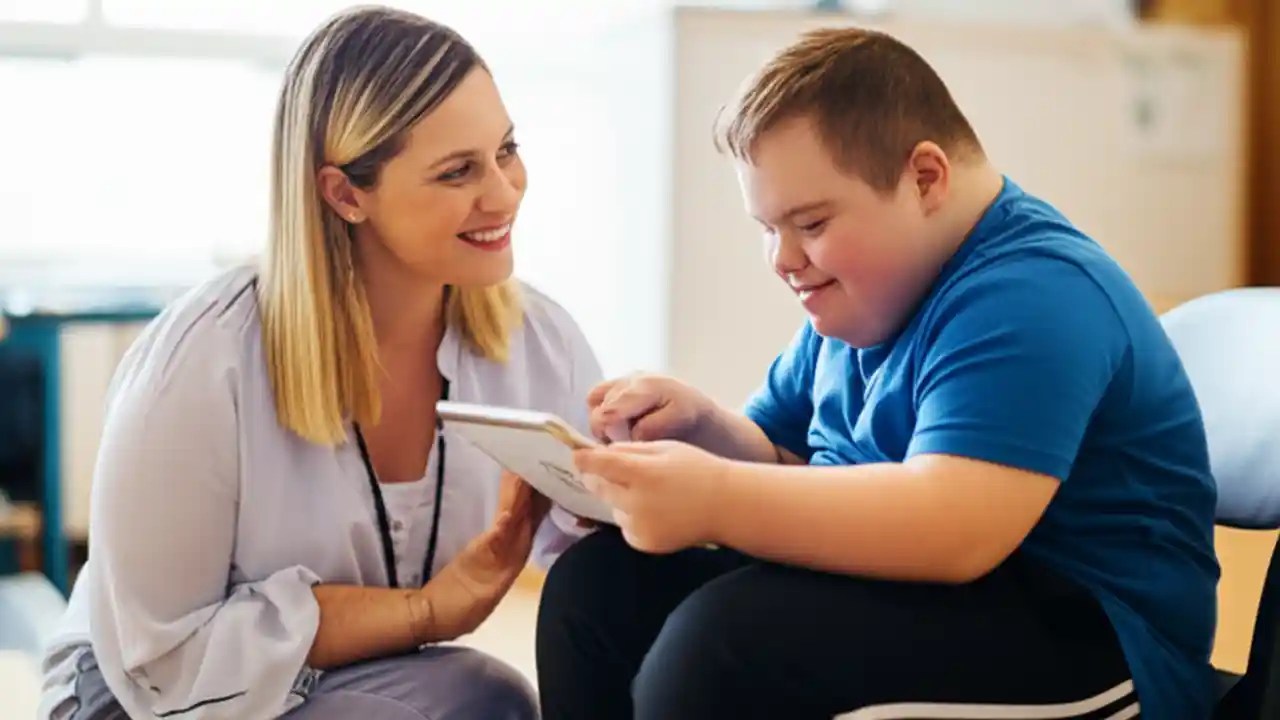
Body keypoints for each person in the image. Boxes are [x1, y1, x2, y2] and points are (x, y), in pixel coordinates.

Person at [536, 26, 1218, 720]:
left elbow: (955, 528)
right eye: (768, 228)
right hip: (931, 594)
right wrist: (704, 430)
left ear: (925, 179)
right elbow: (787, 460)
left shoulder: (1035, 295)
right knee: (599, 586)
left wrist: (712, 498)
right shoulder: (865, 295)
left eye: (810, 223)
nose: (782, 258)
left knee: (723, 646)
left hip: (1091, 641)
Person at [39, 7, 600, 719]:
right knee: (476, 704)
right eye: (458, 171)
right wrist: (429, 610)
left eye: (506, 151)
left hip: (350, 679)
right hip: (144, 693)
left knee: (485, 701)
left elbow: (592, 533)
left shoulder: (537, 340)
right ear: (344, 193)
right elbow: (163, 659)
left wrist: (658, 476)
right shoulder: (204, 361)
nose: (505, 191)